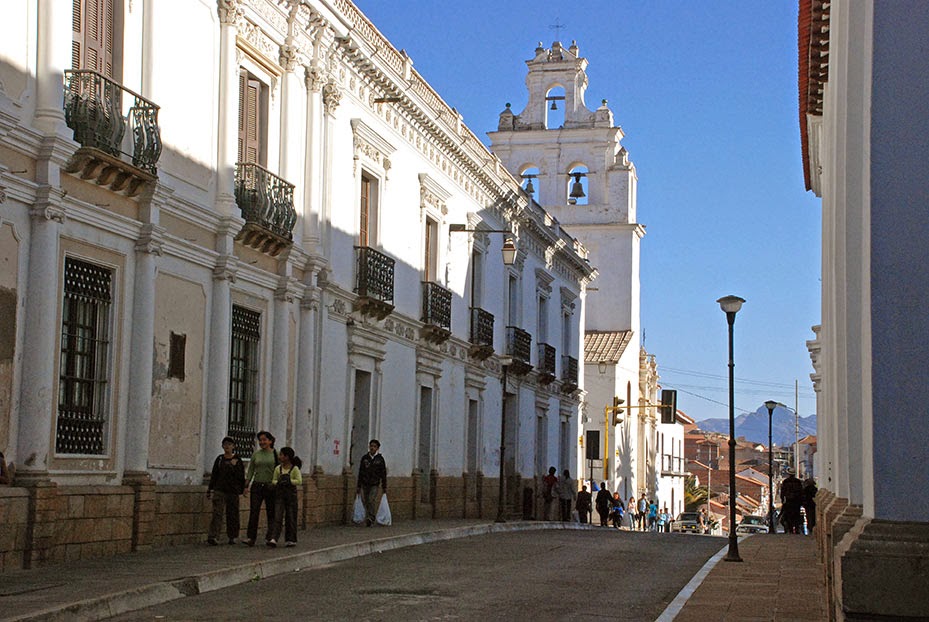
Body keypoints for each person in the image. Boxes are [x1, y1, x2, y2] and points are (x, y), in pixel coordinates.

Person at [206, 436, 245, 545]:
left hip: (232, 490)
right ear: (222, 446)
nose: (227, 446)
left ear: (233, 446)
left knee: (232, 514)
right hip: (220, 489)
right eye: (225, 444)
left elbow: (241, 476)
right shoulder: (219, 459)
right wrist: (210, 488)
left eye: (229, 444)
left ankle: (233, 536)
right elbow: (214, 474)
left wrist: (241, 489)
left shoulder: (237, 460)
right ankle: (213, 536)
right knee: (217, 513)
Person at [244, 431, 278, 546]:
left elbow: (280, 470)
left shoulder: (276, 454)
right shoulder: (256, 454)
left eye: (264, 440)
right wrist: (246, 485)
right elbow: (251, 470)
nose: (262, 442)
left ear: (270, 441)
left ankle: (271, 536)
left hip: (271, 486)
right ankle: (251, 537)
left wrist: (276, 484)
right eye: (260, 440)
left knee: (271, 512)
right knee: (254, 511)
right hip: (257, 485)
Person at [268, 447, 302, 547]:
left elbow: (299, 481)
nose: (280, 457)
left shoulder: (294, 469)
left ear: (287, 457)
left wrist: (289, 481)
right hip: (280, 495)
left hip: (291, 496)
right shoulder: (278, 468)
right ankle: (274, 538)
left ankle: (290, 539)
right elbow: (273, 480)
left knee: (291, 517)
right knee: (277, 516)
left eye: (281, 455)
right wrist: (278, 482)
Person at [357, 439, 387, 527]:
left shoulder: (380, 459)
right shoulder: (365, 458)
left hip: (375, 483)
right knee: (366, 500)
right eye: (371, 446)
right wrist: (359, 485)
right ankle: (368, 516)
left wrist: (384, 486)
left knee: (371, 499)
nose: (372, 448)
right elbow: (361, 472)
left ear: (377, 448)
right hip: (365, 483)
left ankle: (371, 517)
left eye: (374, 446)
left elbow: (383, 473)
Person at [780, 470, 804, 534]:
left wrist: (782, 500)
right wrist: (801, 501)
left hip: (789, 501)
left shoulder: (786, 481)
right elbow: (801, 492)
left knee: (789, 516)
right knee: (796, 515)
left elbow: (782, 492)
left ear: (789, 474)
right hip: (796, 502)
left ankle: (790, 529)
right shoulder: (798, 482)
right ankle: (796, 529)